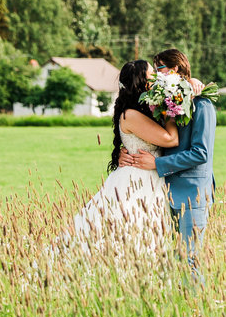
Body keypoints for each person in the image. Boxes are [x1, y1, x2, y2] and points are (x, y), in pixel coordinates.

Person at [53, 59, 177, 259]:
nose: (157, 78)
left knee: (144, 236)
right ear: (142, 83)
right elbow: (170, 139)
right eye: (152, 74)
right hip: (136, 183)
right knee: (127, 235)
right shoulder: (131, 115)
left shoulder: (145, 111)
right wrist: (173, 109)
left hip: (149, 180)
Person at [118, 48, 215, 274]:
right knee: (166, 260)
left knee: (190, 259)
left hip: (192, 193)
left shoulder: (202, 104)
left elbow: (201, 153)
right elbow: (146, 137)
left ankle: (194, 309)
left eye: (159, 69)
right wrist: (124, 152)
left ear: (175, 69)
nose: (156, 76)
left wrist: (157, 165)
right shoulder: (161, 104)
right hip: (161, 193)